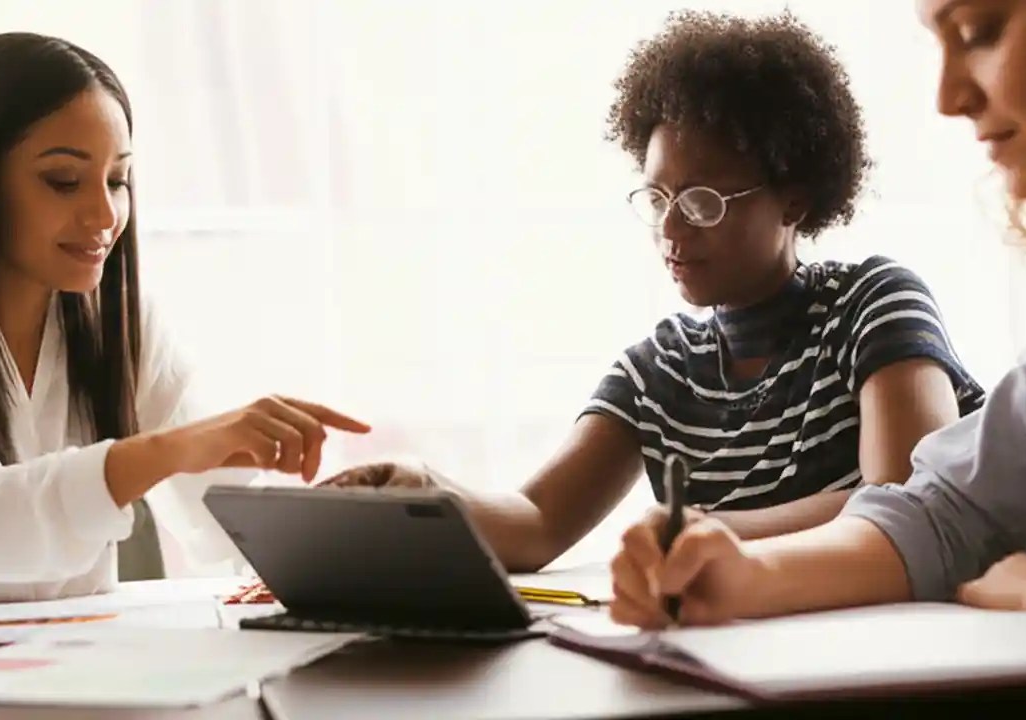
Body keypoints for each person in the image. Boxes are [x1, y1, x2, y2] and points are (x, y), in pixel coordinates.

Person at [608, 0, 1026, 703]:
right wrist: (749, 576)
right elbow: (948, 506)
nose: (948, 98)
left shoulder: (876, 300)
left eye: (979, 32)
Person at [323, 11, 983, 572]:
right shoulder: (659, 371)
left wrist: (706, 531)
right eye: (658, 198)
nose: (669, 229)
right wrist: (424, 489)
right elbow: (537, 521)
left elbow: (906, 494)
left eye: (700, 203)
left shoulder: (874, 304)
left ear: (794, 201)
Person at [0, 32, 369, 605]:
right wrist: (166, 451)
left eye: (117, 180)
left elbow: (219, 517)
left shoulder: (122, 327)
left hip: (79, 654)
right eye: (64, 182)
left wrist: (372, 519)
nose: (105, 215)